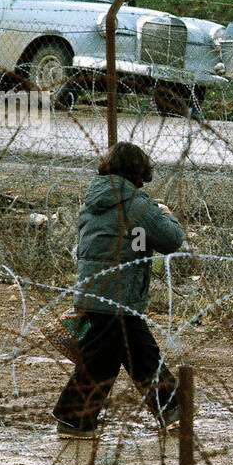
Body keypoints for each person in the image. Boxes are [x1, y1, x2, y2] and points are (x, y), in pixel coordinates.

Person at [53, 142, 184, 438]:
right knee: (109, 361)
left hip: (94, 291)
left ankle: (173, 409)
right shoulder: (137, 205)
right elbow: (171, 239)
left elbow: (122, 238)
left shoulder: (91, 201)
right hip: (119, 295)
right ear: (139, 171)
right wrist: (166, 214)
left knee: (137, 355)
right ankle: (74, 420)